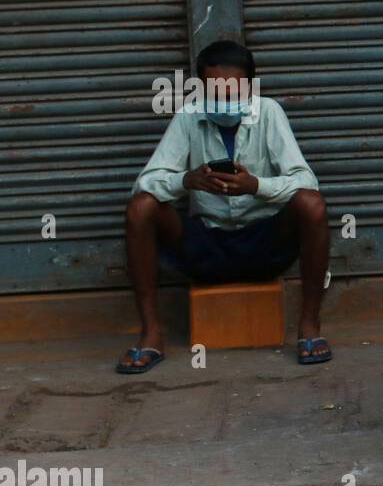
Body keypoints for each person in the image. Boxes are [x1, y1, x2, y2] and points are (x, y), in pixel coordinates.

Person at [117, 40, 331, 373]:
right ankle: (151, 334)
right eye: (214, 92)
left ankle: (309, 327)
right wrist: (185, 181)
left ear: (250, 87)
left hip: (264, 245)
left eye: (233, 92)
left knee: (312, 205)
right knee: (140, 208)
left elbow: (306, 181)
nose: (224, 100)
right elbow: (144, 183)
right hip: (206, 245)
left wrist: (256, 186)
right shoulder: (189, 117)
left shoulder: (269, 112)